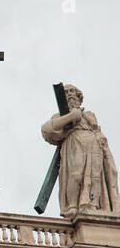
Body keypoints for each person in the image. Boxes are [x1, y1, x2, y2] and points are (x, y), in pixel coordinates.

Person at [41, 84, 119, 218]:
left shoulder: (89, 115)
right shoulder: (60, 116)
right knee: (76, 175)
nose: (70, 94)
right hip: (74, 144)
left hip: (94, 145)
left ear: (79, 97)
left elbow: (97, 131)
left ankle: (92, 205)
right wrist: (72, 116)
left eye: (72, 92)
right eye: (66, 93)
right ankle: (72, 206)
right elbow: (47, 130)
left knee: (95, 177)